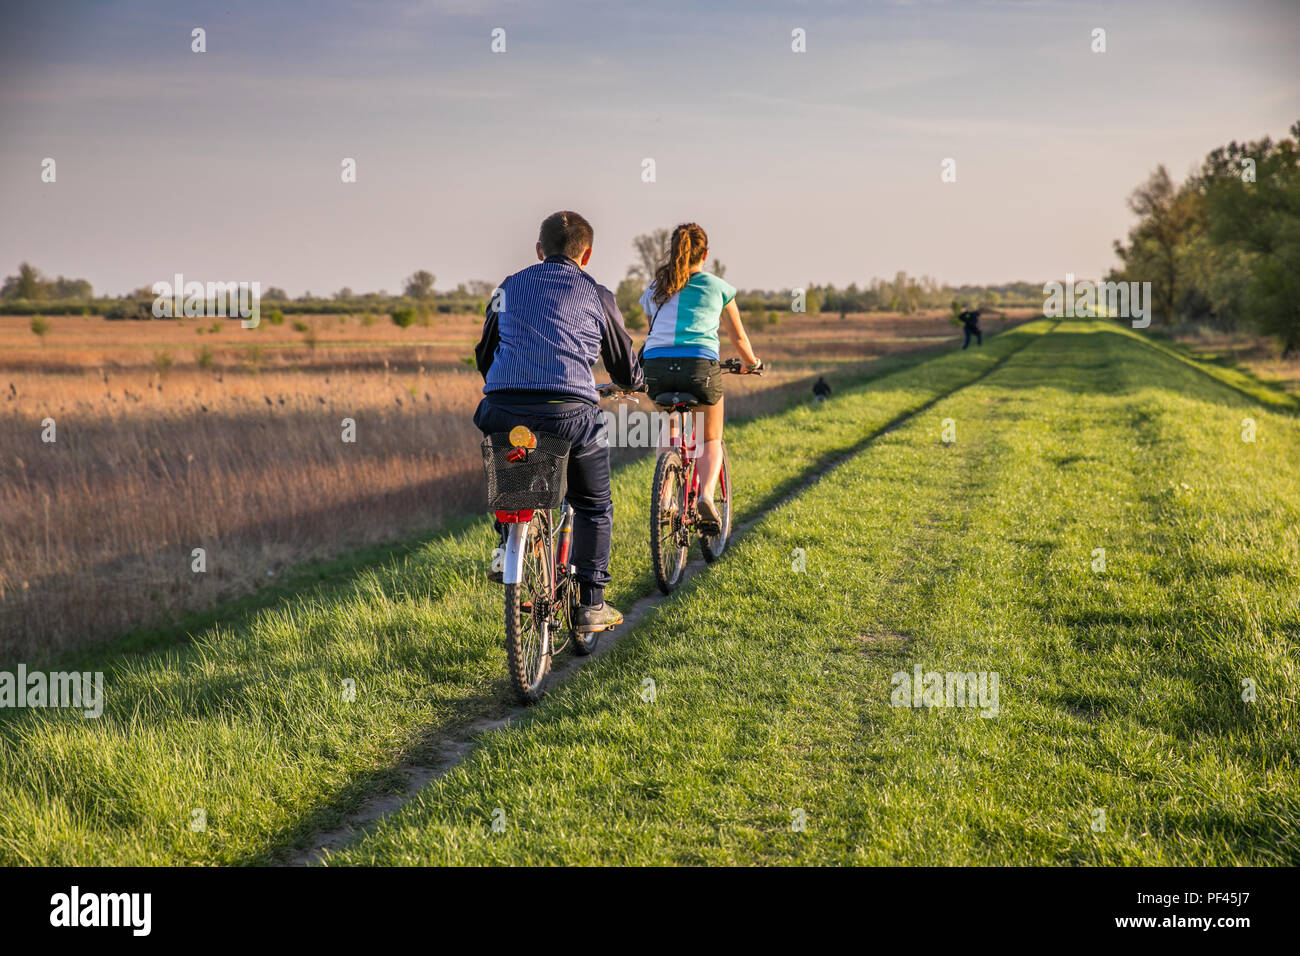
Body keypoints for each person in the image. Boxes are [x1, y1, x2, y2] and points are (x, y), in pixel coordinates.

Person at [474, 210, 644, 633]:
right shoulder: (597, 294)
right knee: (593, 504)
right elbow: (623, 365)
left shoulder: (509, 287)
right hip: (570, 413)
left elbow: (485, 352)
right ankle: (592, 603)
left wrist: (508, 385)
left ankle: (508, 543)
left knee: (514, 462)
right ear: (586, 255)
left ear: (538, 251)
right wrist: (634, 383)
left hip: (504, 407)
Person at [638, 223, 760, 534]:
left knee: (670, 426)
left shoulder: (656, 288)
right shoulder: (719, 287)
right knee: (710, 437)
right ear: (705, 254)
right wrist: (752, 363)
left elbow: (656, 331)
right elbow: (739, 337)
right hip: (699, 367)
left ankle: (665, 498)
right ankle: (706, 496)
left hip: (656, 367)